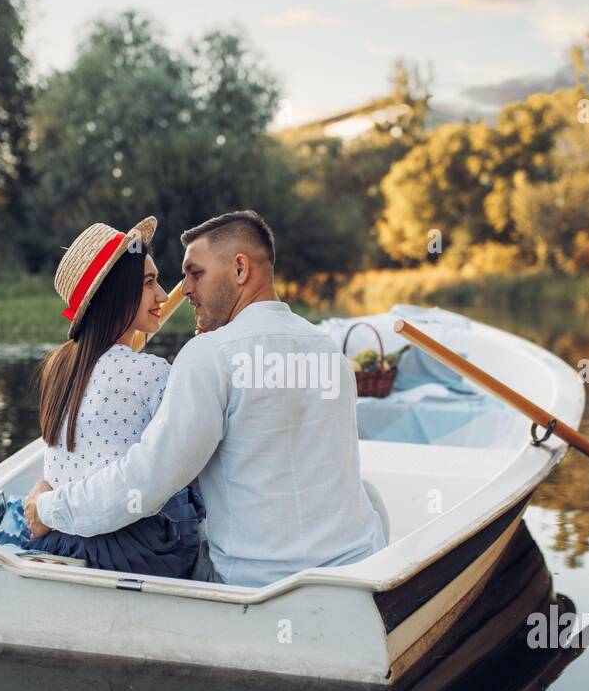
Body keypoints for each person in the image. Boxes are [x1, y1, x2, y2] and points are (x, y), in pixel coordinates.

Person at [24, 209, 387, 588]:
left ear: (240, 270)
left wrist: (49, 509)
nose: (184, 291)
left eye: (194, 273)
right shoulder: (330, 351)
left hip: (258, 583)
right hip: (357, 567)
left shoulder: (210, 355)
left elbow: (144, 482)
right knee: (370, 495)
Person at [0, 215, 205, 580]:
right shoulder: (153, 372)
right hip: (138, 551)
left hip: (62, 540)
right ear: (117, 293)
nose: (160, 295)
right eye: (149, 283)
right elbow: (184, 464)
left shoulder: (58, 364)